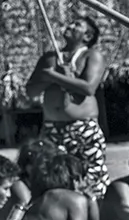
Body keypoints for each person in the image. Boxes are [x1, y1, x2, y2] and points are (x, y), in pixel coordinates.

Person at [25, 15, 110, 202]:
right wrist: (48, 78)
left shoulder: (92, 56)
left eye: (77, 25)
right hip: (52, 127)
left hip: (82, 127)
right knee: (51, 177)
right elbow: (31, 91)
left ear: (87, 36)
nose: (70, 25)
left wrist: (55, 77)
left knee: (91, 178)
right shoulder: (49, 58)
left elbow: (88, 87)